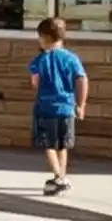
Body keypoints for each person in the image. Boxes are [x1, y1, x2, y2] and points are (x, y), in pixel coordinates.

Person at [29, 17, 88, 196]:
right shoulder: (72, 58)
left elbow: (34, 81)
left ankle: (58, 177)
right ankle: (62, 175)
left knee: (48, 144)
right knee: (63, 144)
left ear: (45, 37)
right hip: (67, 108)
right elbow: (81, 79)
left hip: (46, 108)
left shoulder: (40, 60)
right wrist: (81, 104)